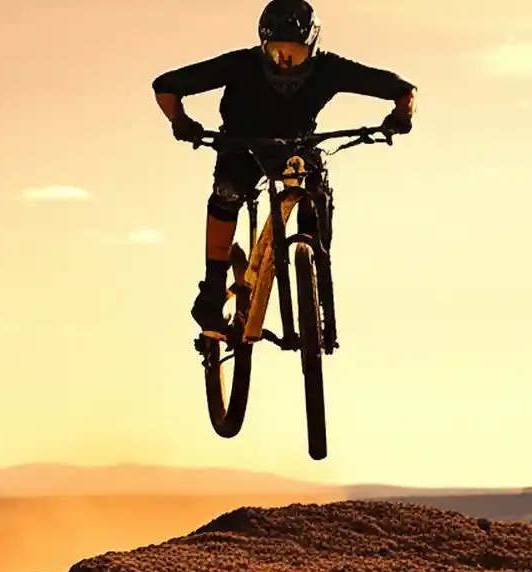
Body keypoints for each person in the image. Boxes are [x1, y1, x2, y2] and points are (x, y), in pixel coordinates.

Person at [151, 0, 417, 333]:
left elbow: (403, 90)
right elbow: (166, 86)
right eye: (276, 52)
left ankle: (315, 269)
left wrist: (401, 115)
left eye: (296, 54)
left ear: (313, 49)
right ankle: (212, 290)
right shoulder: (241, 64)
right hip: (242, 145)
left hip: (296, 148)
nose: (285, 63)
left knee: (317, 192)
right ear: (263, 45)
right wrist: (180, 120)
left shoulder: (329, 69)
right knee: (227, 193)